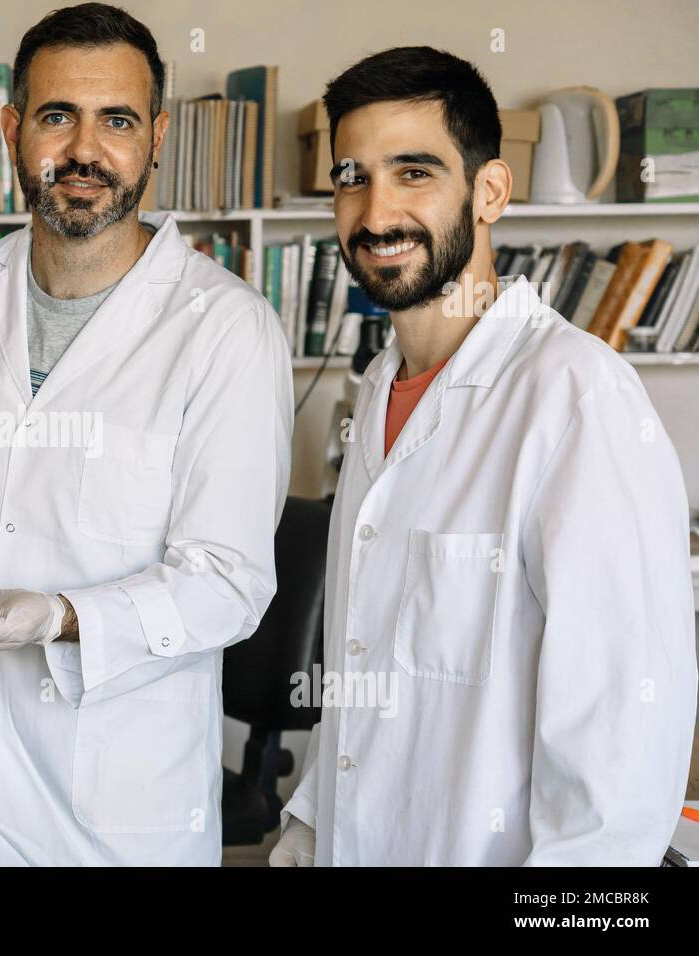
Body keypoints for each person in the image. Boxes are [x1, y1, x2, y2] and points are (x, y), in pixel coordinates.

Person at [0, 2, 293, 865]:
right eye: (58, 116)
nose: (85, 150)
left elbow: (230, 582)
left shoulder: (226, 328)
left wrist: (61, 617)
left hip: (121, 812)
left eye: (116, 120)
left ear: (156, 136)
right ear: (14, 128)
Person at [271, 46, 697, 866]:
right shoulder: (378, 389)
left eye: (415, 172)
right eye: (352, 176)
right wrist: (309, 826)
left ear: (490, 190)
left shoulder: (576, 398)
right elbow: (361, 664)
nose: (376, 211)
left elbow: (620, 755)